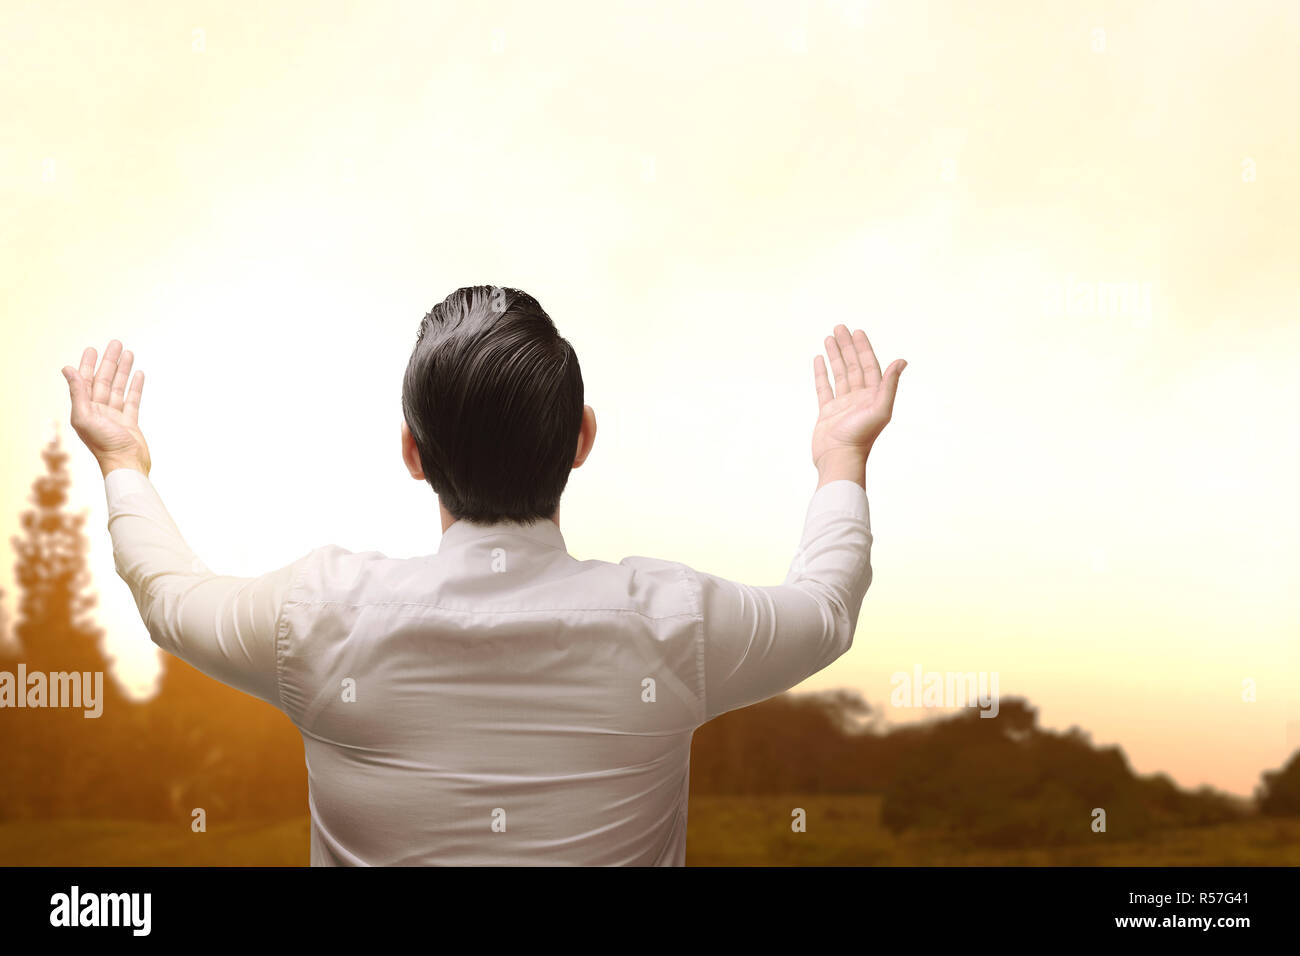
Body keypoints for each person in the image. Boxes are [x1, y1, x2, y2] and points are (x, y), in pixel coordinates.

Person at [60, 285, 906, 866]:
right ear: (582, 439)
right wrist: (842, 454)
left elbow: (170, 600)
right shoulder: (671, 624)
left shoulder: (317, 617)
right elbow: (826, 609)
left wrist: (122, 461)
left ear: (411, 454)